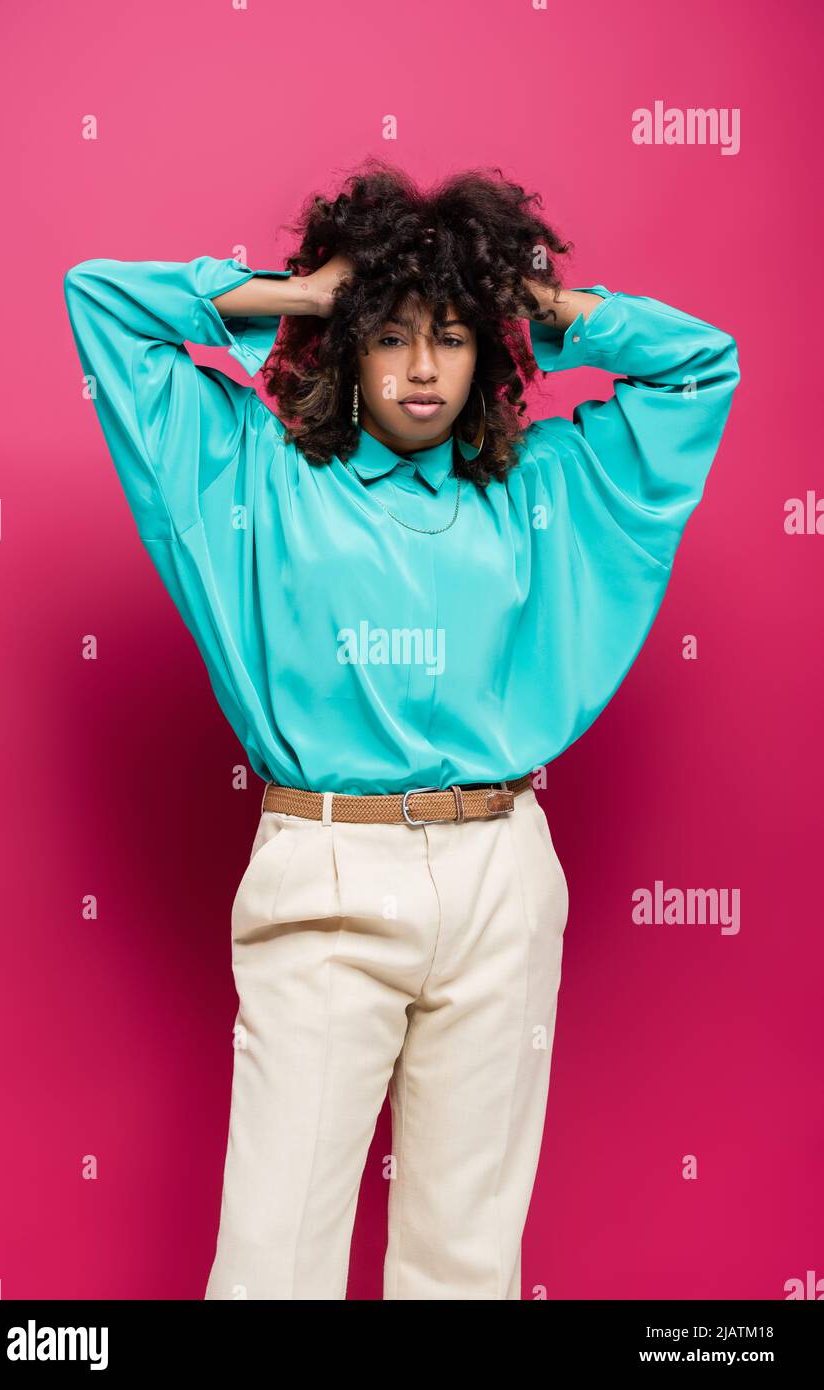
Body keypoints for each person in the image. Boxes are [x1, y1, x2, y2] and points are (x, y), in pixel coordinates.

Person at [62, 159, 740, 1300]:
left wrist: (534, 306)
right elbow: (101, 303)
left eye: (452, 335)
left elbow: (700, 366)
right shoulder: (253, 477)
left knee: (463, 1264)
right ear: (347, 345)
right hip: (327, 869)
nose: (423, 368)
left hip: (501, 873)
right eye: (390, 334)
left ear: (487, 352)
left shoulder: (542, 486)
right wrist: (310, 291)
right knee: (273, 1265)